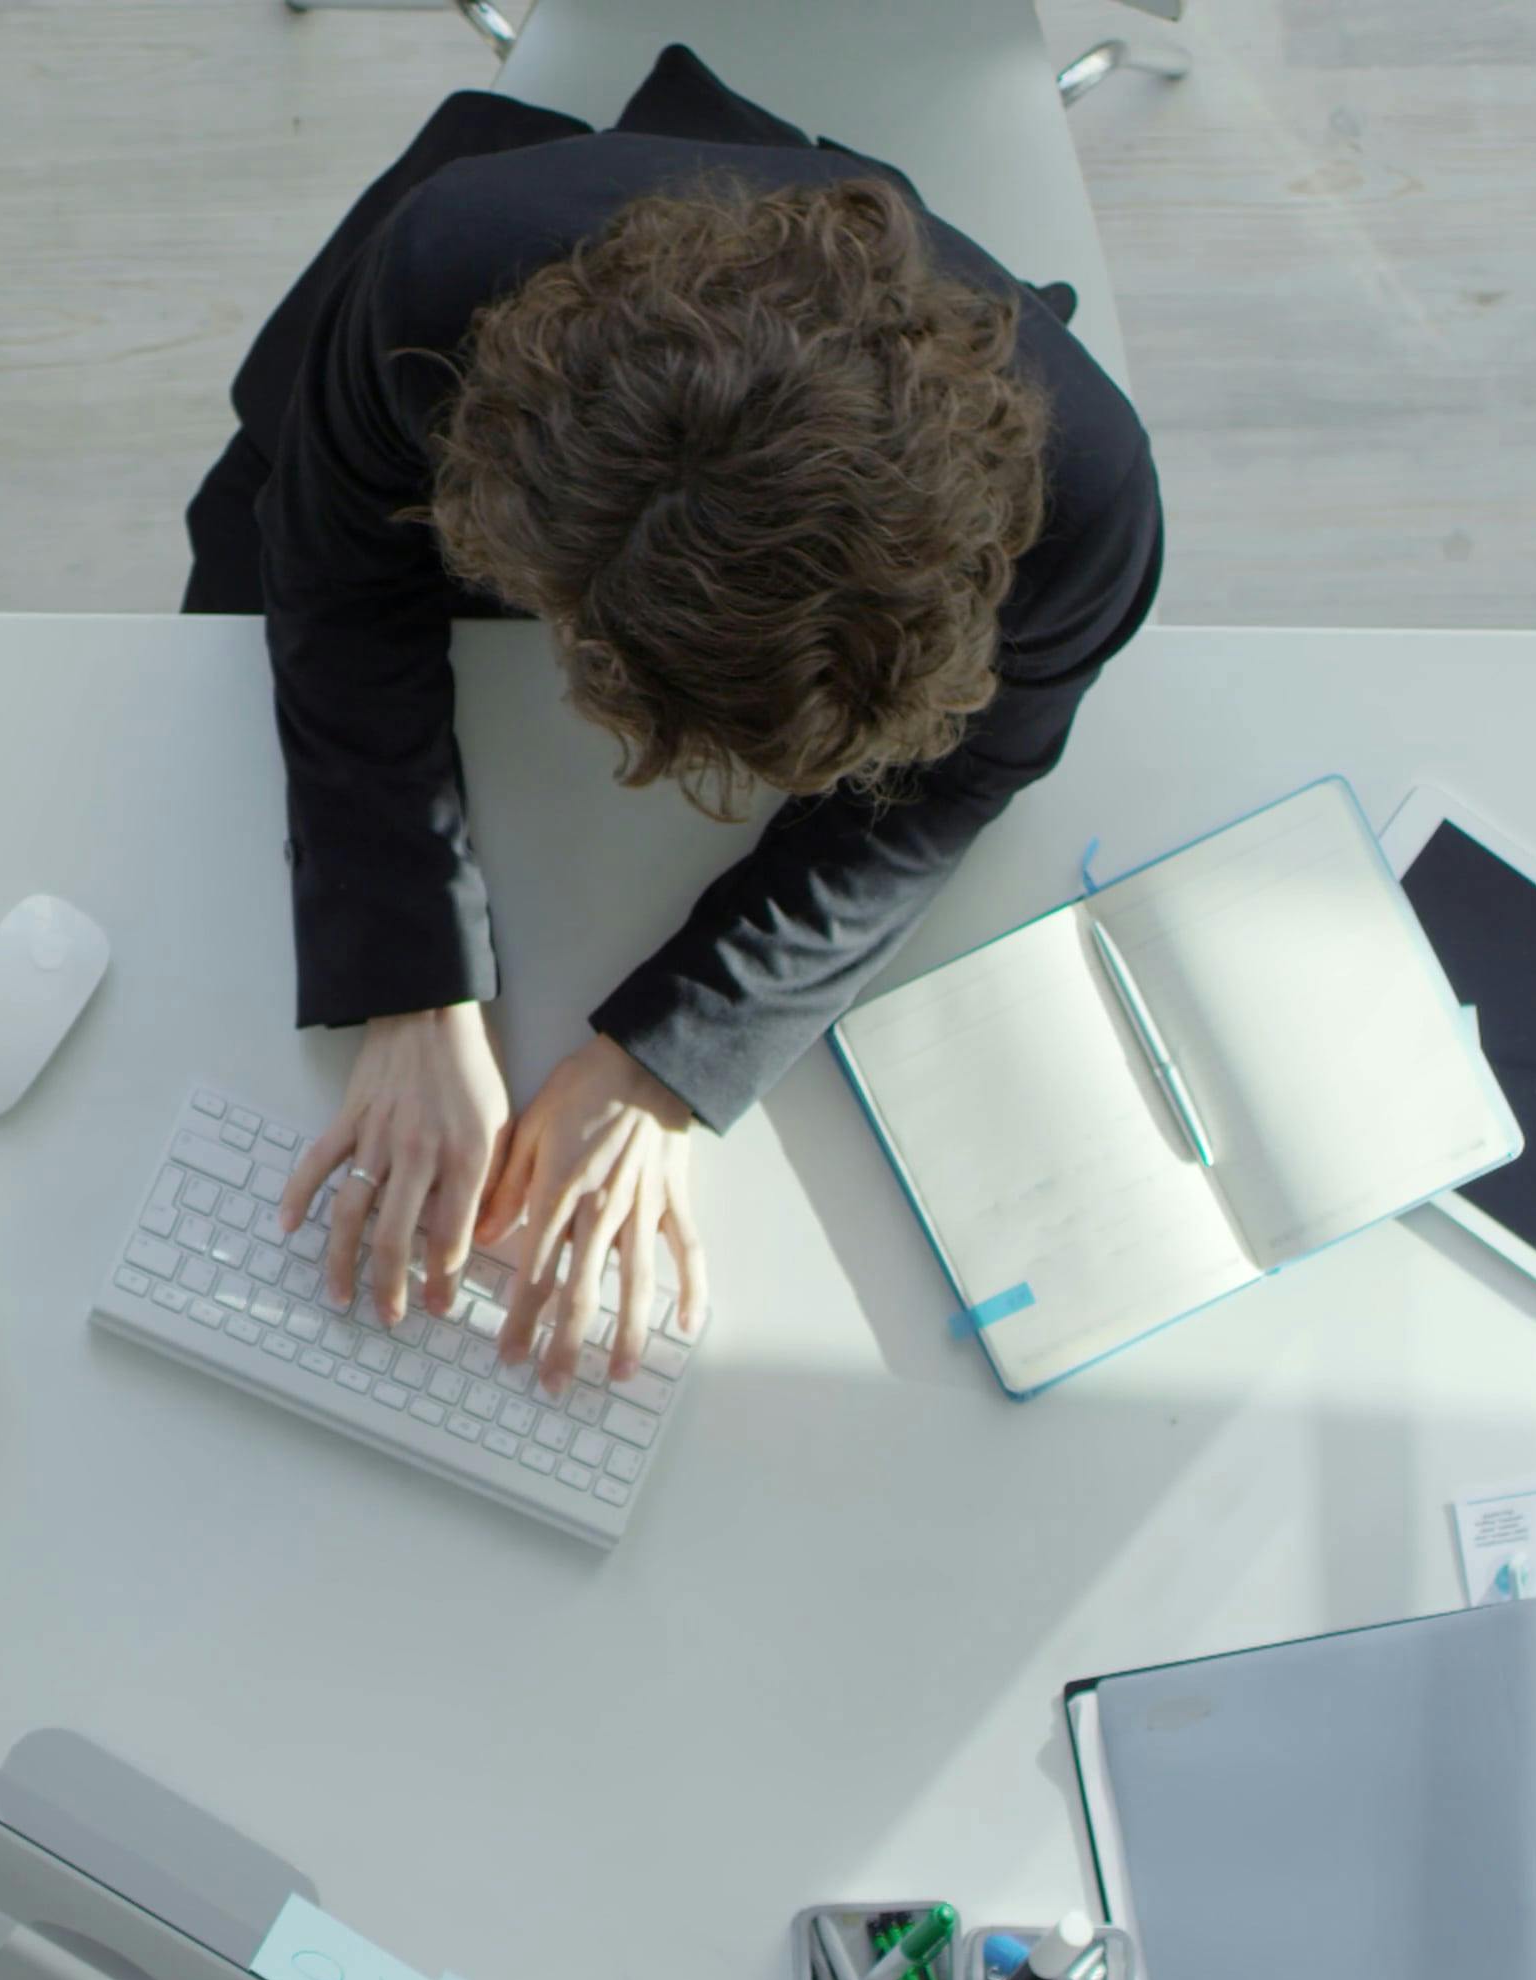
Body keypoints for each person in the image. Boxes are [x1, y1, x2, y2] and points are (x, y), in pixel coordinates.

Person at [184, 49, 1163, 1398]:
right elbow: (337, 573)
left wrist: (672, 1055)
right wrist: (410, 983)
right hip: (484, 417)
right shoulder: (444, 276)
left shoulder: (1089, 502)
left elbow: (970, 772)